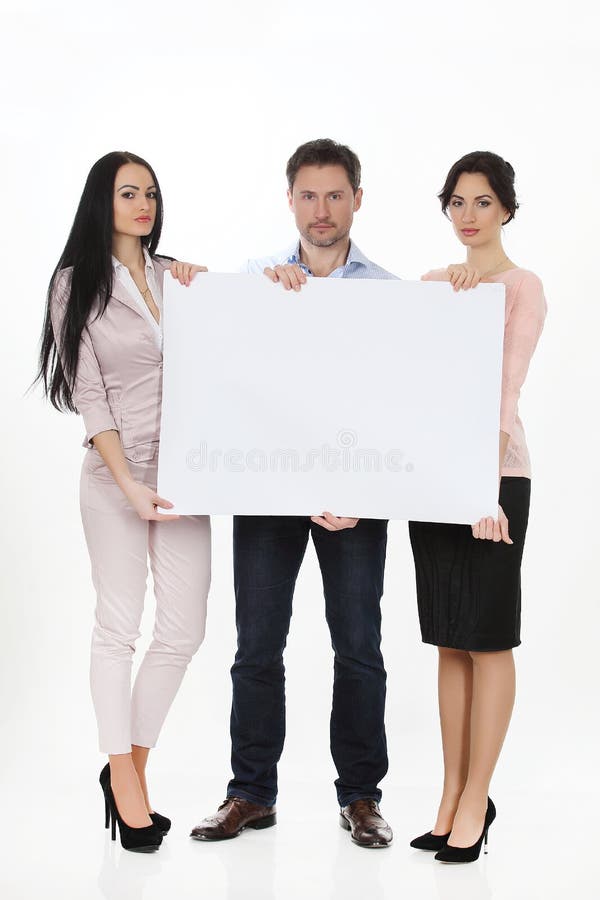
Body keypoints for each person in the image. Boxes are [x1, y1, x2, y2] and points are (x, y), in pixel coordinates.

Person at [190, 139, 398, 849]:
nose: (322, 209)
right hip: (269, 492)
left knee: (359, 647)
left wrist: (364, 492)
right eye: (308, 195)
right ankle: (251, 792)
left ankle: (363, 797)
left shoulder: (389, 294)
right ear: (290, 201)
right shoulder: (256, 279)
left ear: (358, 201)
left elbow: (395, 406)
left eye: (335, 194)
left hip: (352, 501)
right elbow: (222, 366)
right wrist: (238, 297)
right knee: (255, 647)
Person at [37, 151, 211, 852]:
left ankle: (128, 768)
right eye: (127, 192)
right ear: (100, 203)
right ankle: (125, 775)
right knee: (118, 627)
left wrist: (234, 290)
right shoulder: (74, 284)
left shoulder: (180, 279)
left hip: (186, 476)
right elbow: (90, 392)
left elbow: (235, 353)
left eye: (150, 193)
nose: (143, 203)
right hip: (114, 477)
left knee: (184, 629)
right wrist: (131, 483)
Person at [408, 151, 546, 863]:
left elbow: (506, 389)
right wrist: (448, 297)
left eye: (482, 202)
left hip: (494, 477)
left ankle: (476, 797)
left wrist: (484, 487)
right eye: (457, 202)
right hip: (434, 480)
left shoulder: (522, 287)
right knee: (450, 638)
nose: (468, 216)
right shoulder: (438, 286)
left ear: (507, 210)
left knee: (489, 635)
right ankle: (450, 791)